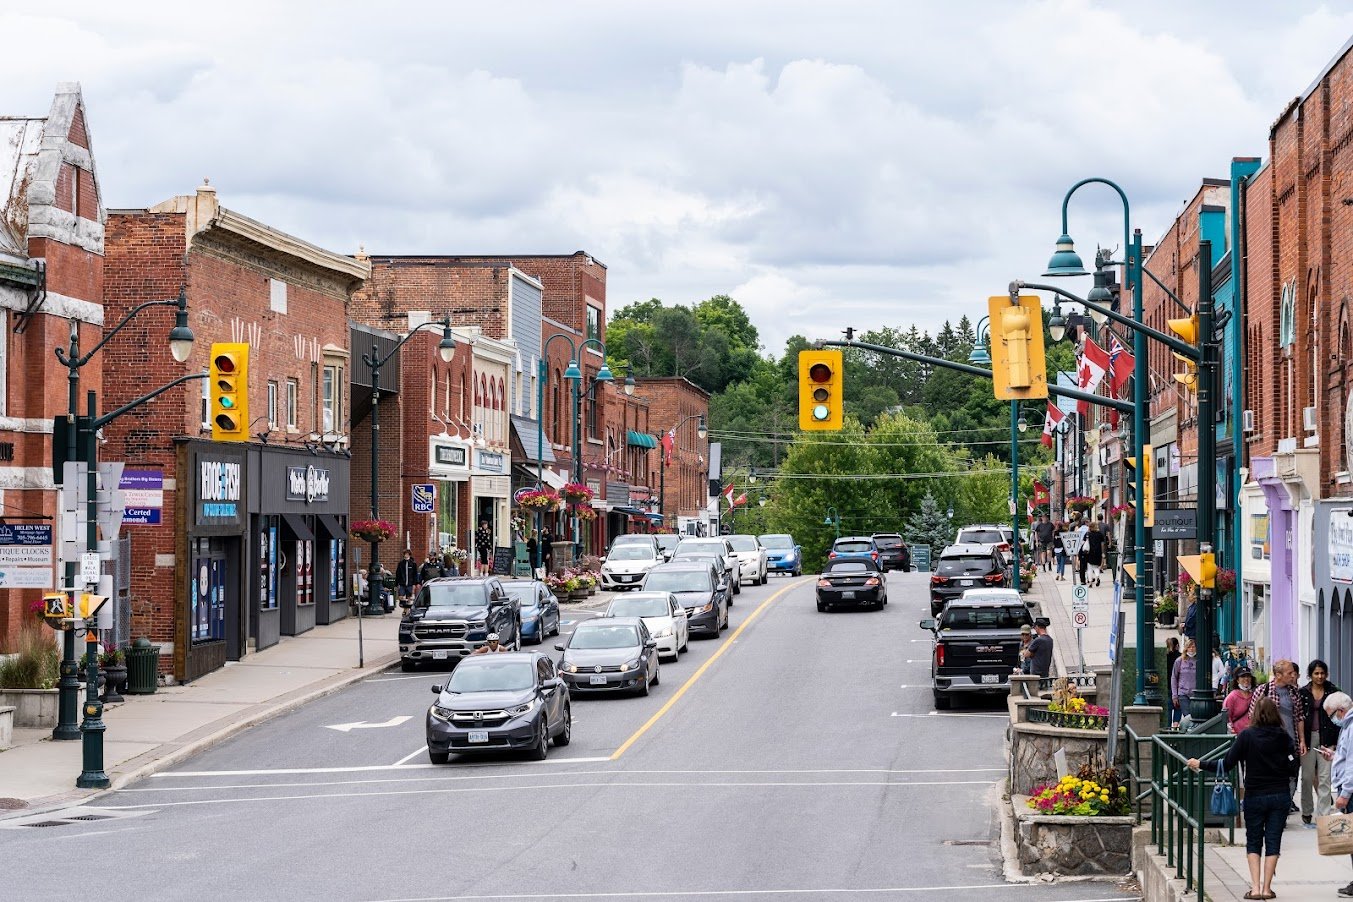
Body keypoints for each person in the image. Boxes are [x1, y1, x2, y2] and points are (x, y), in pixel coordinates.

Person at [1187, 697, 1299, 902]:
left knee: (1254, 840)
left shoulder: (1247, 736)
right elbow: (1294, 764)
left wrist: (1200, 763)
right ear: (1276, 714)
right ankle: (1267, 888)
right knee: (1273, 840)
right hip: (1279, 795)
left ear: (1255, 714)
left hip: (1254, 795)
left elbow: (1227, 763)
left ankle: (1255, 888)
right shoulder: (1284, 737)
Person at [1249, 659, 1310, 810]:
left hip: (1291, 743)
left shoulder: (1294, 691)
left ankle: (1284, 806)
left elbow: (1300, 717)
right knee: (1273, 779)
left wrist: (1302, 740)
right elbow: (1253, 717)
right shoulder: (1263, 691)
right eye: (1290, 673)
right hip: (1270, 745)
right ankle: (1277, 810)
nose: (1293, 675)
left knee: (1292, 775)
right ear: (1278, 675)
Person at [1319, 691, 1353, 897]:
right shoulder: (1348, 726)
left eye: (1332, 714)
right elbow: (1347, 756)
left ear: (1341, 711)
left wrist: (1345, 793)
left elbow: (1352, 764)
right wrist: (1334, 756)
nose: (1332, 720)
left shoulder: (1351, 727)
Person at [1299, 659, 1341, 825]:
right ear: (1310, 675)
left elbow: (1339, 716)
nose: (1320, 676)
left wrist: (1337, 741)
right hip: (1308, 738)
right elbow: (1299, 717)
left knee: (1325, 778)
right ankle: (1307, 810)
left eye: (1322, 673)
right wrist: (1301, 739)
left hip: (1327, 738)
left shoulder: (1333, 691)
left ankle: (1323, 815)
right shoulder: (1303, 692)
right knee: (1308, 777)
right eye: (1316, 673)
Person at [1171, 638, 1198, 730]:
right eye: (1189, 647)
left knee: (1196, 717)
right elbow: (1174, 677)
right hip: (1183, 693)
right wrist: (1175, 695)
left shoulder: (1199, 661)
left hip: (1196, 694)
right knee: (1188, 716)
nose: (1191, 649)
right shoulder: (1179, 661)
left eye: (1193, 647)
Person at [1225, 667, 1256, 734]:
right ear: (1237, 680)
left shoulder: (1255, 695)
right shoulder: (1232, 697)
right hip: (1238, 736)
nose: (1246, 679)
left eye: (1248, 676)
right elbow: (1227, 719)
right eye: (1242, 676)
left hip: (1253, 735)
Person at [1084, 521, 1105, 587]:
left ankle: (1090, 582)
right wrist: (1102, 552)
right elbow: (1102, 544)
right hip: (1098, 552)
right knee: (1096, 566)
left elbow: (1084, 543)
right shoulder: (1100, 534)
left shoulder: (1088, 534)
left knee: (1089, 568)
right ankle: (1097, 576)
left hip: (1089, 552)